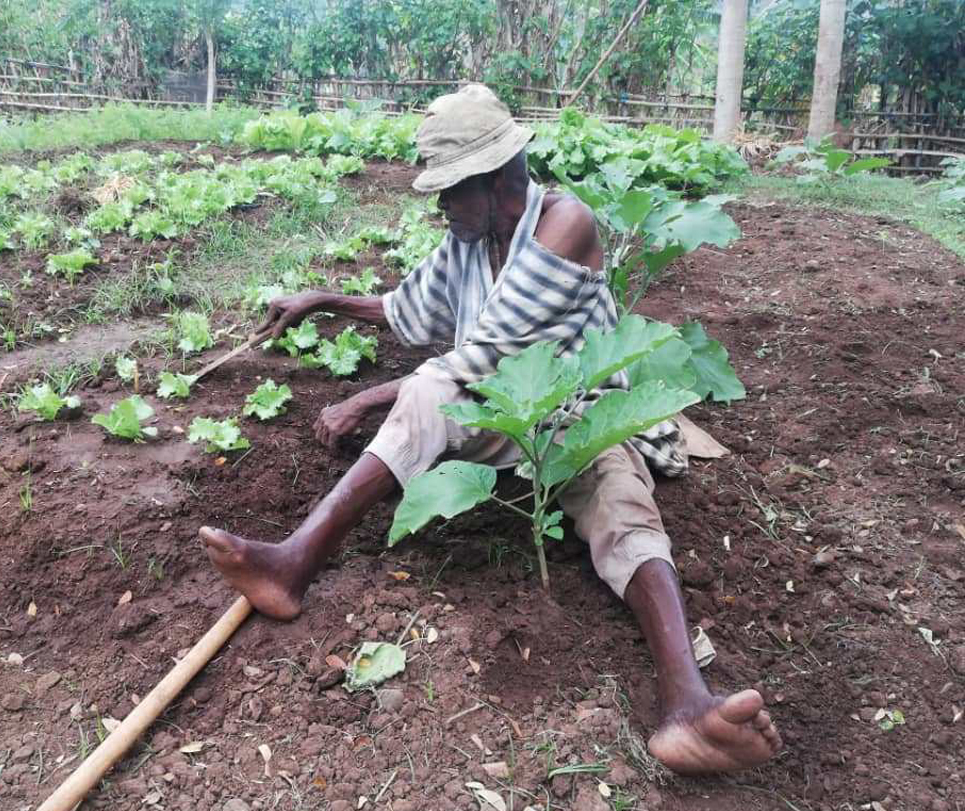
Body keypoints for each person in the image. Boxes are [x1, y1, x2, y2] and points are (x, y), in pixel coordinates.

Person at [200, 85, 782, 775]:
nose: (442, 207)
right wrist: (323, 301)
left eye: (450, 192)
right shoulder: (471, 239)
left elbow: (485, 354)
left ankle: (687, 703)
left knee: (623, 510)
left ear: (497, 178)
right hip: (504, 417)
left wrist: (366, 400)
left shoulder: (566, 224)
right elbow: (408, 309)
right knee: (428, 391)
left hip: (578, 421)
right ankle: (294, 561)